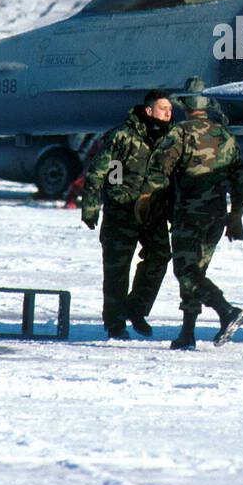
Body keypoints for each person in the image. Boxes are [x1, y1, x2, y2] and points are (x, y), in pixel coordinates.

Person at [135, 80, 243, 350]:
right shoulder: (226, 136)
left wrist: (144, 199)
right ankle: (187, 333)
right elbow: (241, 179)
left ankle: (226, 311)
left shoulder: (180, 133)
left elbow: (159, 170)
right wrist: (236, 216)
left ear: (185, 105)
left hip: (189, 215)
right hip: (217, 217)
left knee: (186, 270)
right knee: (196, 273)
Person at [80, 90, 173, 339]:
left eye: (170, 109)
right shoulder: (122, 136)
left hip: (153, 213)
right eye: (163, 108)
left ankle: (135, 308)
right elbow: (101, 172)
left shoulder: (169, 139)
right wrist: (91, 207)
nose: (168, 112)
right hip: (122, 212)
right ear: (148, 110)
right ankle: (115, 324)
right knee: (117, 270)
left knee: (161, 256)